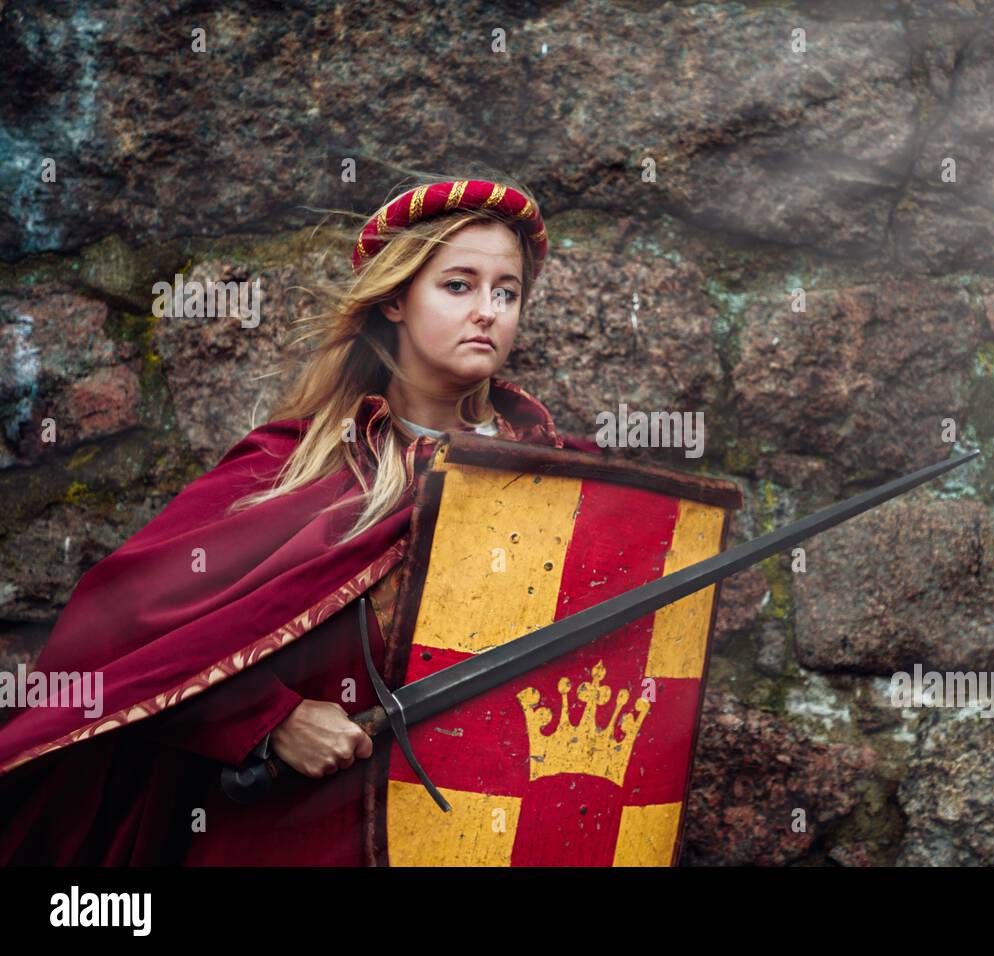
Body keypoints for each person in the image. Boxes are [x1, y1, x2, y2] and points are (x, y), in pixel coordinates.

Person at [0, 177, 601, 865]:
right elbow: (121, 631)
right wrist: (269, 719)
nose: (488, 311)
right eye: (459, 285)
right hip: (298, 840)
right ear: (398, 299)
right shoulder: (294, 468)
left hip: (486, 835)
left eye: (508, 291)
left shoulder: (568, 480)